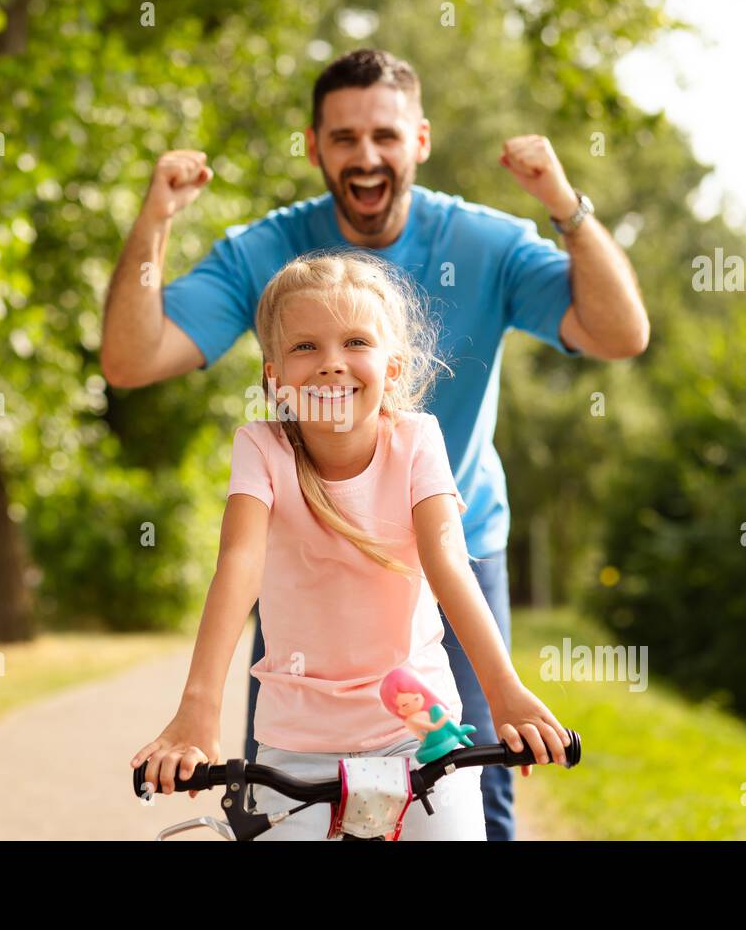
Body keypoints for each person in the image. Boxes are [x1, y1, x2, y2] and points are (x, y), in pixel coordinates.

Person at [102, 49, 648, 839]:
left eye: (384, 136)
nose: (365, 156)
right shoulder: (265, 255)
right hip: (305, 568)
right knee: (285, 778)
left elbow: (620, 332)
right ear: (315, 146)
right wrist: (154, 222)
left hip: (447, 552)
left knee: (474, 782)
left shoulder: (484, 242)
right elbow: (129, 359)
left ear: (419, 141)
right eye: (344, 137)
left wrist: (565, 206)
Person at [129, 251, 573, 840]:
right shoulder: (261, 449)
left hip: (422, 729)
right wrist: (198, 711)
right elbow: (240, 564)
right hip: (295, 740)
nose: (332, 365)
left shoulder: (417, 441)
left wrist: (505, 692)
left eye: (355, 342)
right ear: (274, 378)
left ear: (392, 369)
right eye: (305, 347)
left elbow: (447, 564)